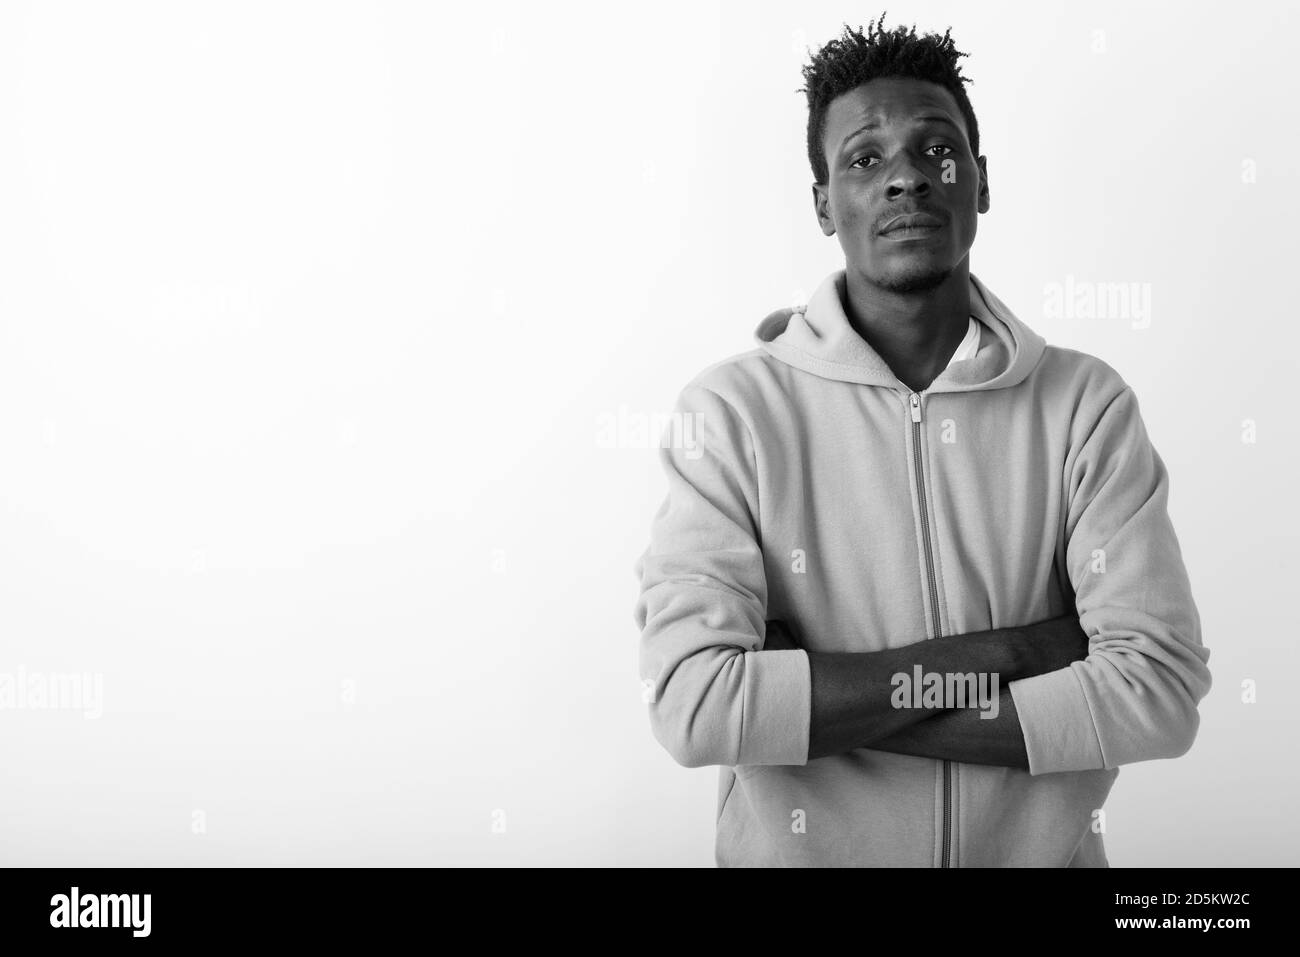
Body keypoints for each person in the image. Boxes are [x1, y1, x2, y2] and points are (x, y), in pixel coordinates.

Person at [632, 16, 1212, 867]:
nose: (906, 176)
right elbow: (693, 705)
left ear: (979, 183)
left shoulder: (1086, 404)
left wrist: (822, 704)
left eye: (938, 149)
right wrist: (1013, 653)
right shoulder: (731, 414)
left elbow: (1159, 694)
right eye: (864, 158)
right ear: (825, 203)